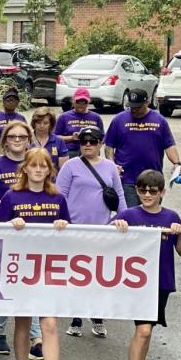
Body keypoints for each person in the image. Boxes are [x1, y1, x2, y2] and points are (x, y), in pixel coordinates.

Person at [0, 149, 70, 360]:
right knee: (23, 322)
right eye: (33, 166)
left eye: (43, 166)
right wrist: (10, 225)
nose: (38, 170)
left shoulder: (58, 198)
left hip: (48, 269)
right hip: (20, 268)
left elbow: (70, 234)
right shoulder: (11, 197)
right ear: (25, 169)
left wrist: (63, 227)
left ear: (50, 170)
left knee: (49, 323)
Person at [111, 170, 181, 360]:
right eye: (143, 190)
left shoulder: (171, 217)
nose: (147, 195)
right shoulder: (129, 215)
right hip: (134, 283)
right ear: (137, 191)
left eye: (152, 191)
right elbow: (105, 242)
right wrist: (117, 225)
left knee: (147, 332)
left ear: (162, 193)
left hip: (160, 282)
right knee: (143, 330)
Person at [58, 125, 126, 338]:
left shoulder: (110, 167)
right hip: (75, 229)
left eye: (93, 141)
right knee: (78, 276)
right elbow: (60, 196)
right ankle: (76, 317)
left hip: (101, 229)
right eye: (84, 141)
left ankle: (97, 316)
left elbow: (120, 195)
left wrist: (123, 219)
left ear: (100, 143)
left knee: (98, 276)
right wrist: (61, 221)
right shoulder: (70, 166)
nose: (88, 144)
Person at [0, 122, 45, 359]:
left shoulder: (36, 161)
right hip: (6, 230)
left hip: (33, 235)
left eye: (22, 136)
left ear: (29, 138)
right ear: (5, 140)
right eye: (12, 136)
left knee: (30, 284)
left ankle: (36, 338)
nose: (17, 140)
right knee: (6, 282)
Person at [105, 89, 181, 208]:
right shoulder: (118, 120)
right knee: (131, 215)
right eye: (132, 107)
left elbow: (169, 145)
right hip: (127, 178)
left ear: (147, 103)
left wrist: (177, 163)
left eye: (138, 107)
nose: (134, 110)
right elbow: (109, 145)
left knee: (152, 213)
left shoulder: (159, 120)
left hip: (153, 178)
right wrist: (111, 163)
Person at [54, 88, 104, 157]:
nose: (81, 104)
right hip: (70, 151)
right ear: (73, 101)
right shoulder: (63, 117)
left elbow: (102, 138)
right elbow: (55, 138)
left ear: (88, 102)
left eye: (84, 102)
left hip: (90, 152)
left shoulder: (96, 117)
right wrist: (71, 138)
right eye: (78, 101)